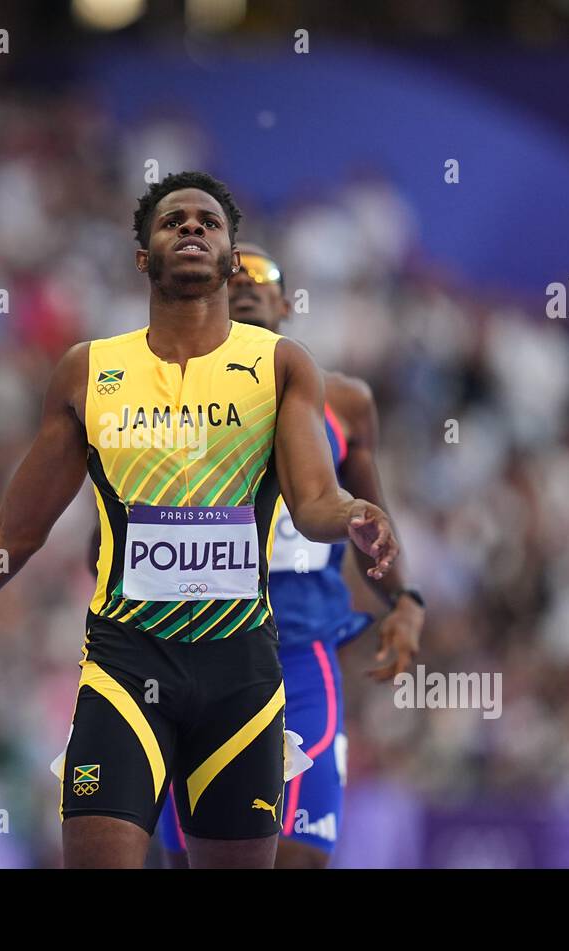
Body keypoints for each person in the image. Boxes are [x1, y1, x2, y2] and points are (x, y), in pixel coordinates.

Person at [0, 171, 399, 868]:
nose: (190, 228)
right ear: (142, 257)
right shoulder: (89, 372)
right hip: (124, 668)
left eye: (208, 223)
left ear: (228, 252)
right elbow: (12, 534)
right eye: (173, 220)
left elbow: (312, 502)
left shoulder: (279, 366)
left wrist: (354, 515)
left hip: (240, 677)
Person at [157, 243, 425, 868]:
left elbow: (372, 529)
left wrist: (405, 600)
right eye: (233, 274)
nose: (246, 282)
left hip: (299, 649)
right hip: (194, 650)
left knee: (297, 855)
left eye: (263, 276)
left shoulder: (346, 403)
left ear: (285, 304)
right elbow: (107, 546)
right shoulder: (164, 399)